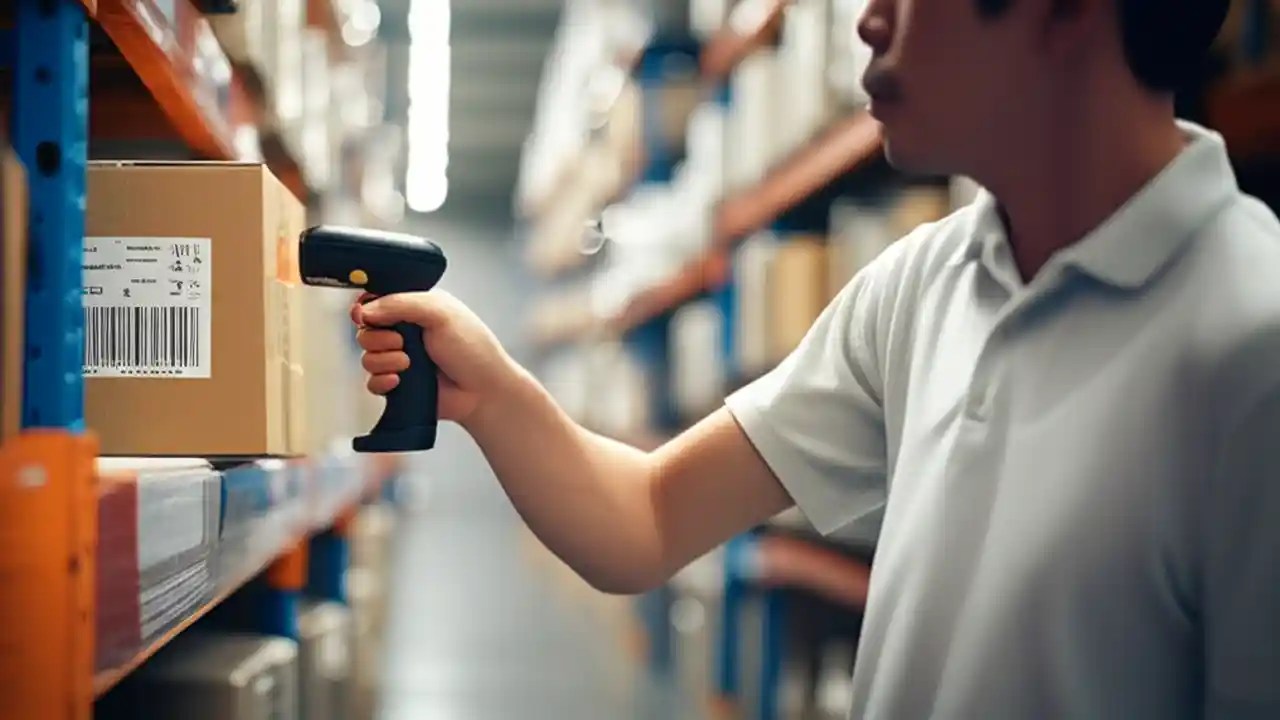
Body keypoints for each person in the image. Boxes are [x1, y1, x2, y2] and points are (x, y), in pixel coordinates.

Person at [353, 0, 1280, 716]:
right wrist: (494, 394)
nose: (868, 21)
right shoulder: (922, 286)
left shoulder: (1250, 347)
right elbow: (646, 519)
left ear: (1070, 12)